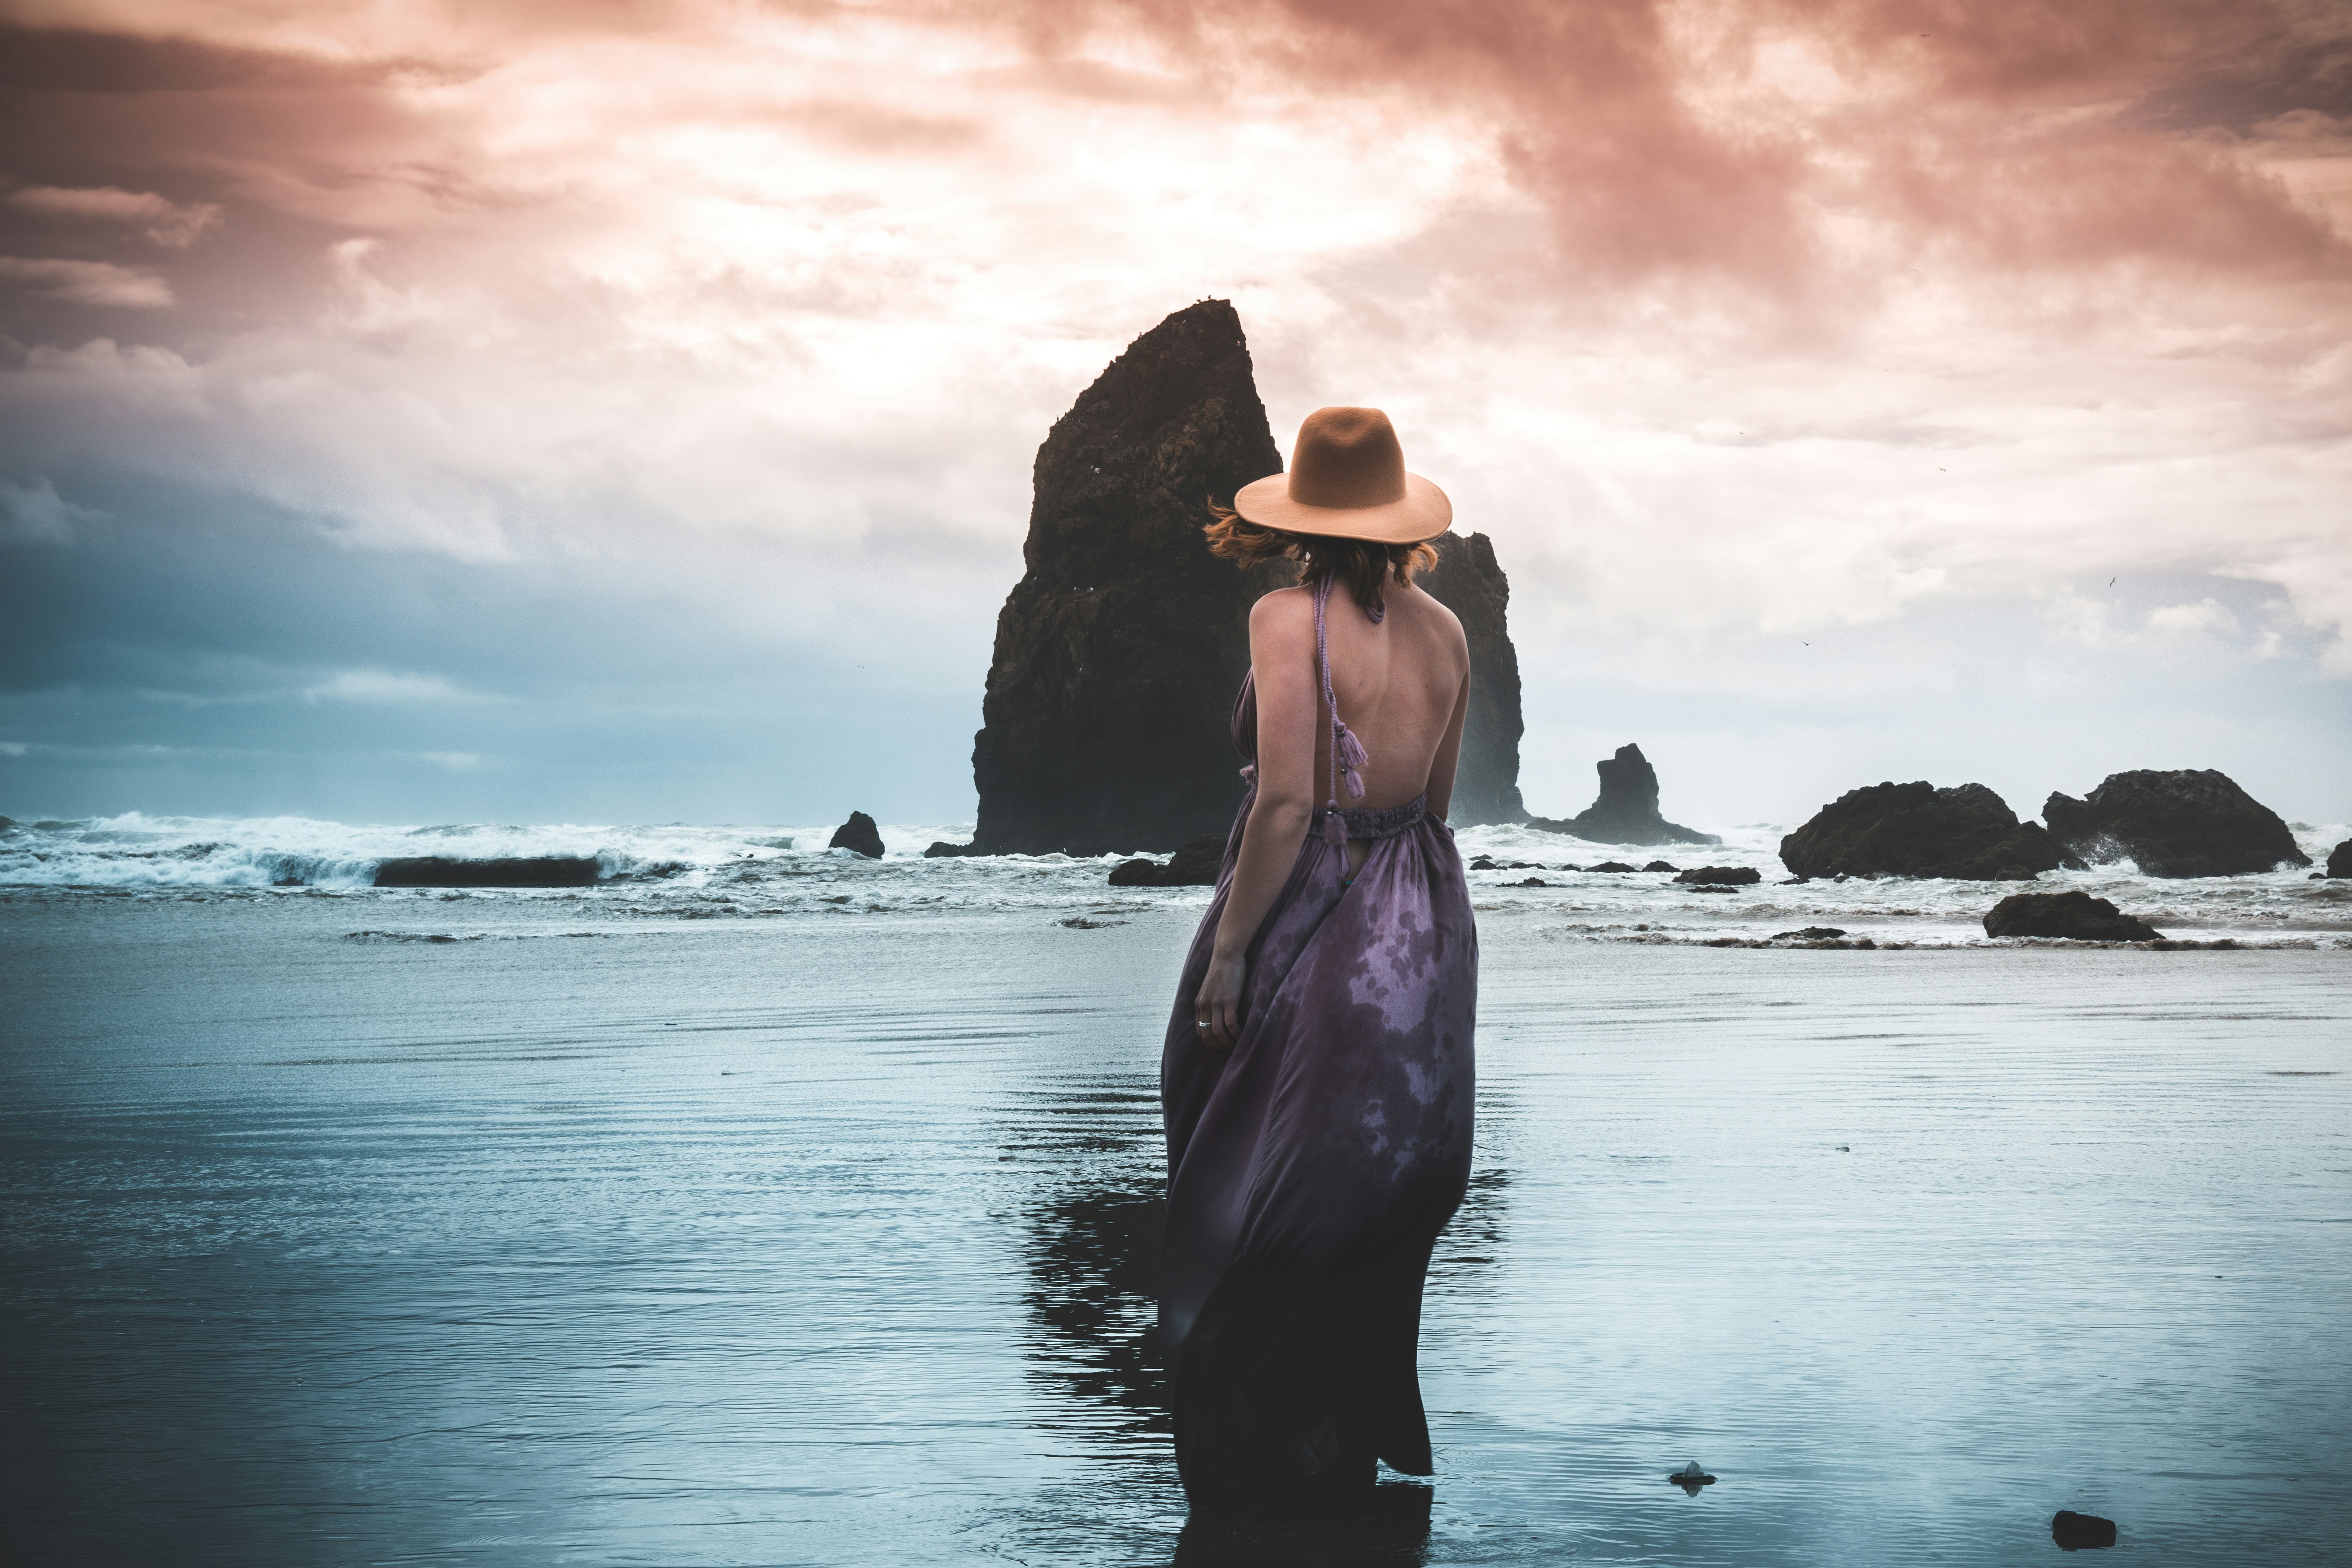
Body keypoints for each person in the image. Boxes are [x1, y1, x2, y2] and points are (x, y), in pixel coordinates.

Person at [1158, 405, 1479, 1515]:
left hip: (1312, 910)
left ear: (1297, 514)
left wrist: (1230, 953)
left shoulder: (1284, 616)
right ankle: (1338, 1438)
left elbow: (1291, 801)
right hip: (1422, 923)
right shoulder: (1446, 632)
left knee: (1238, 1165)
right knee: (1372, 1188)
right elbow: (1432, 809)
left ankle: (1260, 1465)